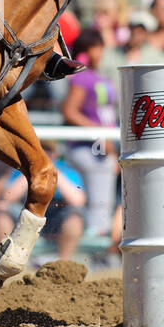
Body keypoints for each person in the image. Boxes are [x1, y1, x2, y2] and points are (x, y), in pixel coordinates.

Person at [61, 30, 119, 244]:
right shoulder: (82, 78)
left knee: (105, 196)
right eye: (95, 47)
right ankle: (97, 240)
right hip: (86, 147)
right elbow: (69, 110)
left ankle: (100, 236)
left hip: (102, 146)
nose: (100, 52)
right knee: (99, 197)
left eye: (101, 47)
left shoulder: (99, 76)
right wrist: (97, 130)